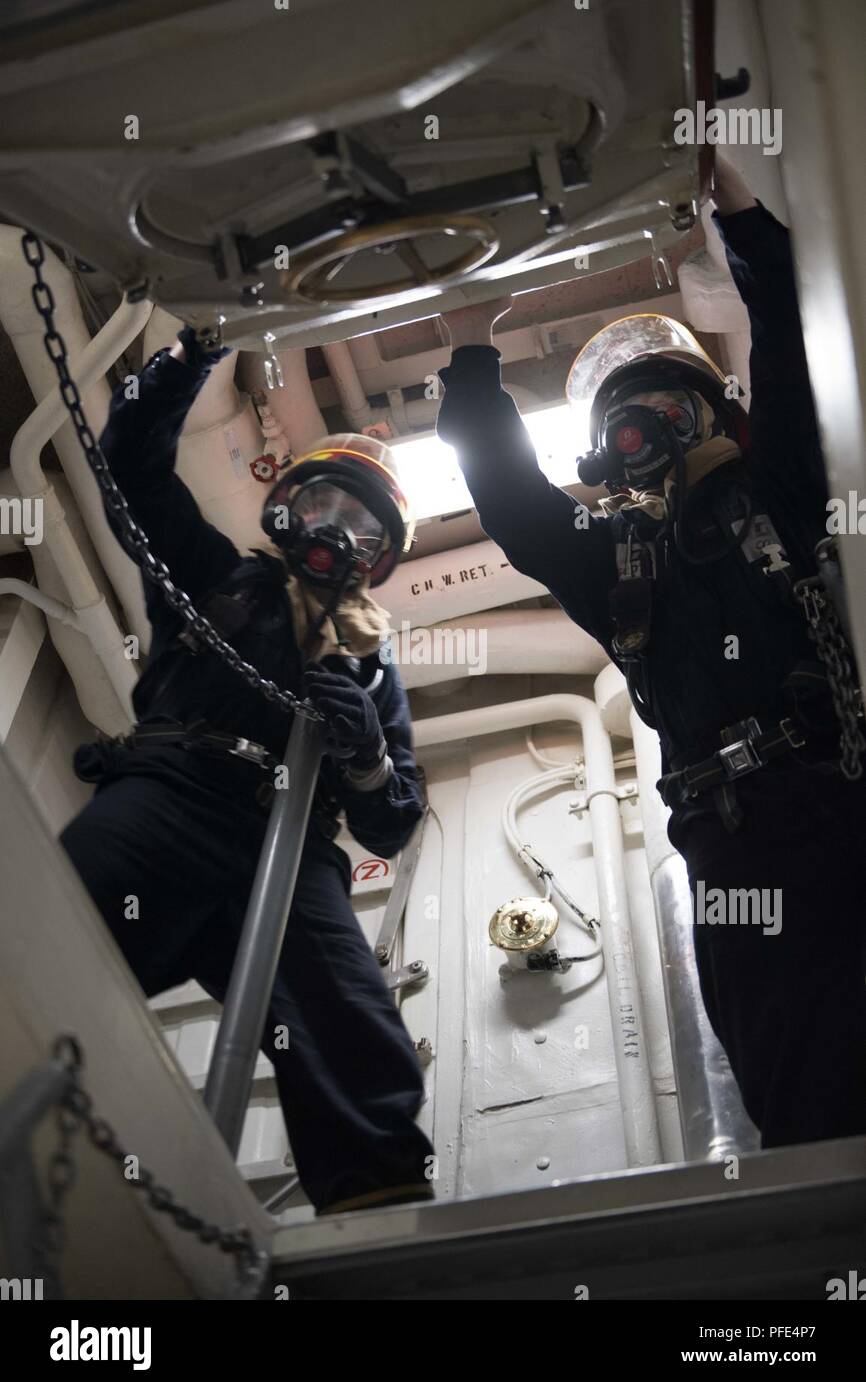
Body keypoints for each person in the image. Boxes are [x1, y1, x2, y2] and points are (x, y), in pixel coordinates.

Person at [435, 156, 866, 1149]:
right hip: (734, 839)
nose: (649, 438)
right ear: (599, 455)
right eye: (626, 426)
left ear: (715, 414)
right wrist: (467, 346)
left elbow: (792, 351)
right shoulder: (610, 559)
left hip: (840, 790)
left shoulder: (782, 489)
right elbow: (506, 495)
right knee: (803, 1099)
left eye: (668, 413)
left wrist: (745, 224)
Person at [59, 326, 434, 1216]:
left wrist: (371, 757)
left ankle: (378, 1229)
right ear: (286, 510)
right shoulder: (216, 579)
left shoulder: (371, 668)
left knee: (353, 1029)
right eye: (323, 511)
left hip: (289, 846)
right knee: (58, 933)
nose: (335, 534)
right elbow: (133, 470)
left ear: (378, 559)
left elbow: (391, 820)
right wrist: (194, 356)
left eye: (359, 526)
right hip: (170, 797)